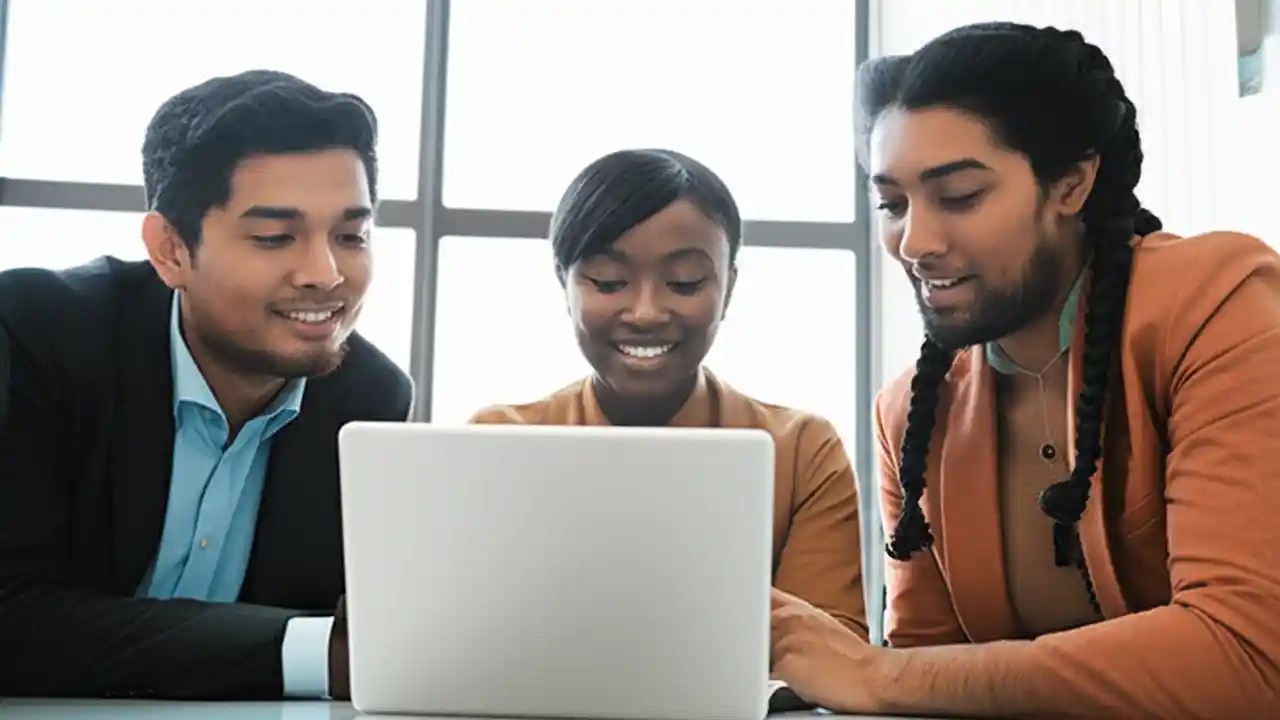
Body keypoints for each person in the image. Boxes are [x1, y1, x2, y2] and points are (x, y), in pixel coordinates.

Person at [769, 22, 1280, 718]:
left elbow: (1246, 661)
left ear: (1070, 183)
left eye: (959, 197)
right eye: (891, 203)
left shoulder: (1218, 306)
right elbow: (928, 684)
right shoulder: (912, 414)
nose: (913, 241)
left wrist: (878, 675)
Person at [0, 70, 412, 700]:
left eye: (351, 236)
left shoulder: (368, 401)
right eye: (275, 237)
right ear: (169, 250)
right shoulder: (36, 335)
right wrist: (314, 650)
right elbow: (14, 617)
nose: (326, 275)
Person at [470, 148, 867, 638]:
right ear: (564, 282)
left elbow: (834, 654)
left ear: (729, 288)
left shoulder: (801, 450)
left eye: (684, 283)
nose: (645, 312)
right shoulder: (495, 443)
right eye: (609, 281)